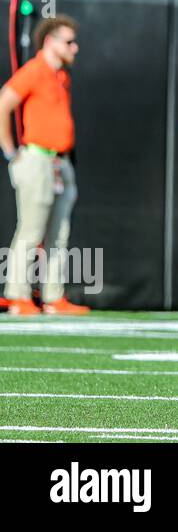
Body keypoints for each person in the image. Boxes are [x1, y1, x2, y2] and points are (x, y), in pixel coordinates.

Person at [0, 16, 87, 315]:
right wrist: (11, 152)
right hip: (37, 158)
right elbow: (4, 102)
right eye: (68, 41)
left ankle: (53, 296)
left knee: (59, 233)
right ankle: (17, 295)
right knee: (31, 230)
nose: (75, 47)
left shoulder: (61, 76)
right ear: (50, 42)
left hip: (60, 162)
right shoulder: (35, 70)